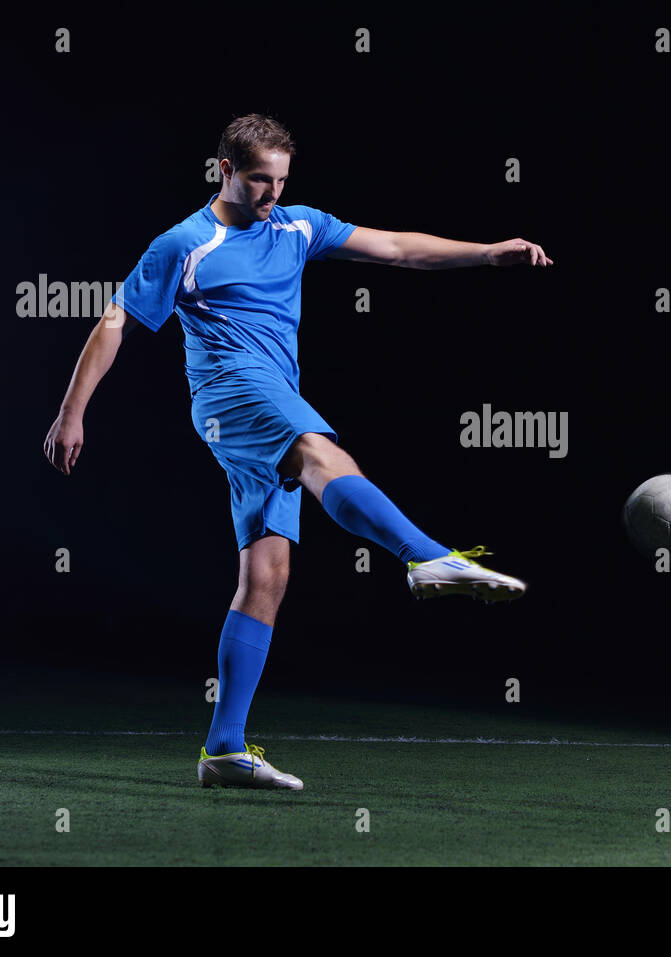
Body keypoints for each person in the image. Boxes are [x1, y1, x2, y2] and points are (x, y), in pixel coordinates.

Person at [43, 113, 553, 791]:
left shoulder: (298, 225)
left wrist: (486, 253)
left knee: (267, 574)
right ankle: (425, 556)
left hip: (270, 396)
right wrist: (72, 411)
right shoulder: (185, 242)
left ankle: (224, 748)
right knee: (317, 449)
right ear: (224, 169)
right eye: (260, 179)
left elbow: (396, 248)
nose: (272, 193)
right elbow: (115, 321)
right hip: (230, 393)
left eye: (281, 180)